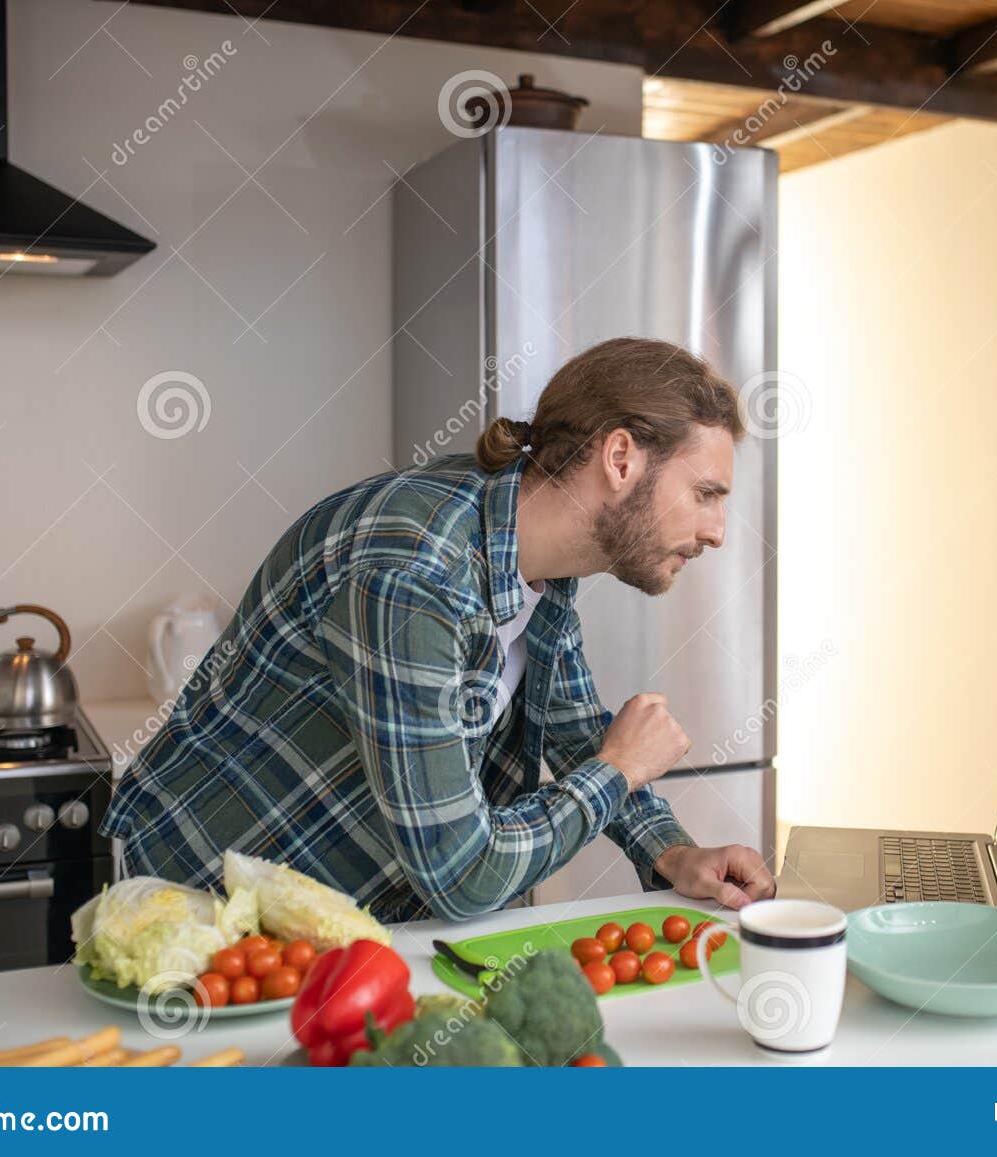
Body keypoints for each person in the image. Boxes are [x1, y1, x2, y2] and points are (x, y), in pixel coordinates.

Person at [101, 336, 777, 922]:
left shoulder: (539, 554)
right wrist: (617, 769)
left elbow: (574, 731)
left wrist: (675, 852)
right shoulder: (412, 572)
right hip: (200, 912)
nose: (717, 531)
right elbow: (460, 872)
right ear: (620, 458)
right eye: (706, 494)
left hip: (339, 917)